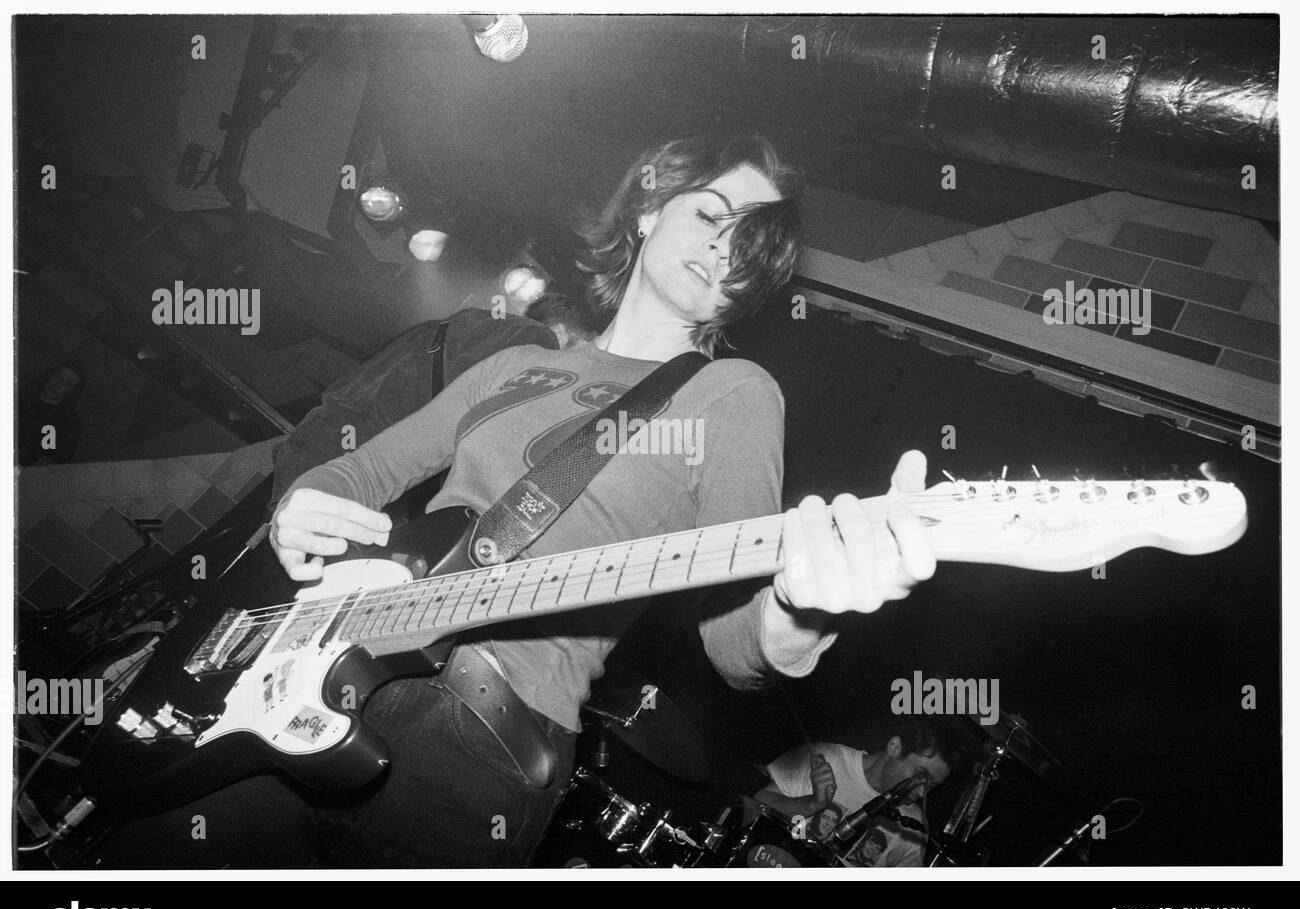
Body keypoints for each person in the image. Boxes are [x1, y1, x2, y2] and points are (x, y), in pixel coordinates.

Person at [93, 132, 937, 870]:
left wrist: (803, 613)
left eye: (748, 243)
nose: (723, 247)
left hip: (479, 743)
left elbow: (732, 633)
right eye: (712, 214)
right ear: (651, 207)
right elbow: (358, 469)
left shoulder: (734, 394)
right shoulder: (512, 366)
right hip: (306, 677)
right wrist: (303, 505)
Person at [269, 290, 598, 512]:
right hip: (353, 475)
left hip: (322, 445)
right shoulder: (538, 343)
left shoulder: (469, 324)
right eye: (588, 348)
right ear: (562, 331)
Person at [755, 718, 962, 867]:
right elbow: (756, 805)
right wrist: (812, 804)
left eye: (931, 785)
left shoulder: (915, 828)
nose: (922, 792)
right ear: (895, 747)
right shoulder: (829, 758)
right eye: (920, 775)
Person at [18, 360, 84, 466]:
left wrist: (50, 461)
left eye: (67, 384)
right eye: (58, 377)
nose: (58, 385)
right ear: (50, 376)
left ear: (72, 391)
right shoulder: (21, 399)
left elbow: (63, 457)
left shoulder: (68, 422)